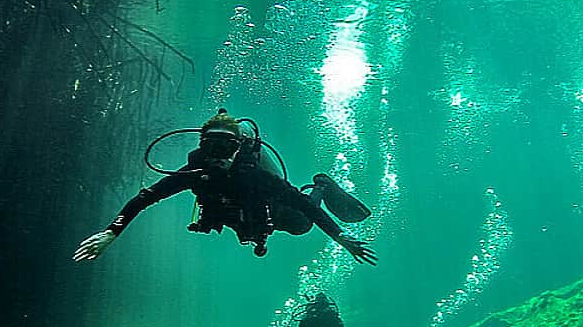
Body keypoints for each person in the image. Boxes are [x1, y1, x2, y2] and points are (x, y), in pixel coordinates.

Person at [73, 109, 377, 264]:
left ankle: (321, 184)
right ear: (202, 145)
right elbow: (147, 197)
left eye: (226, 146)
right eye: (211, 146)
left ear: (238, 147)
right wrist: (111, 232)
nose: (217, 155)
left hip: (273, 211)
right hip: (235, 218)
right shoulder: (196, 171)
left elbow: (302, 204)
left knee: (301, 225)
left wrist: (341, 236)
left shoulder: (254, 175)